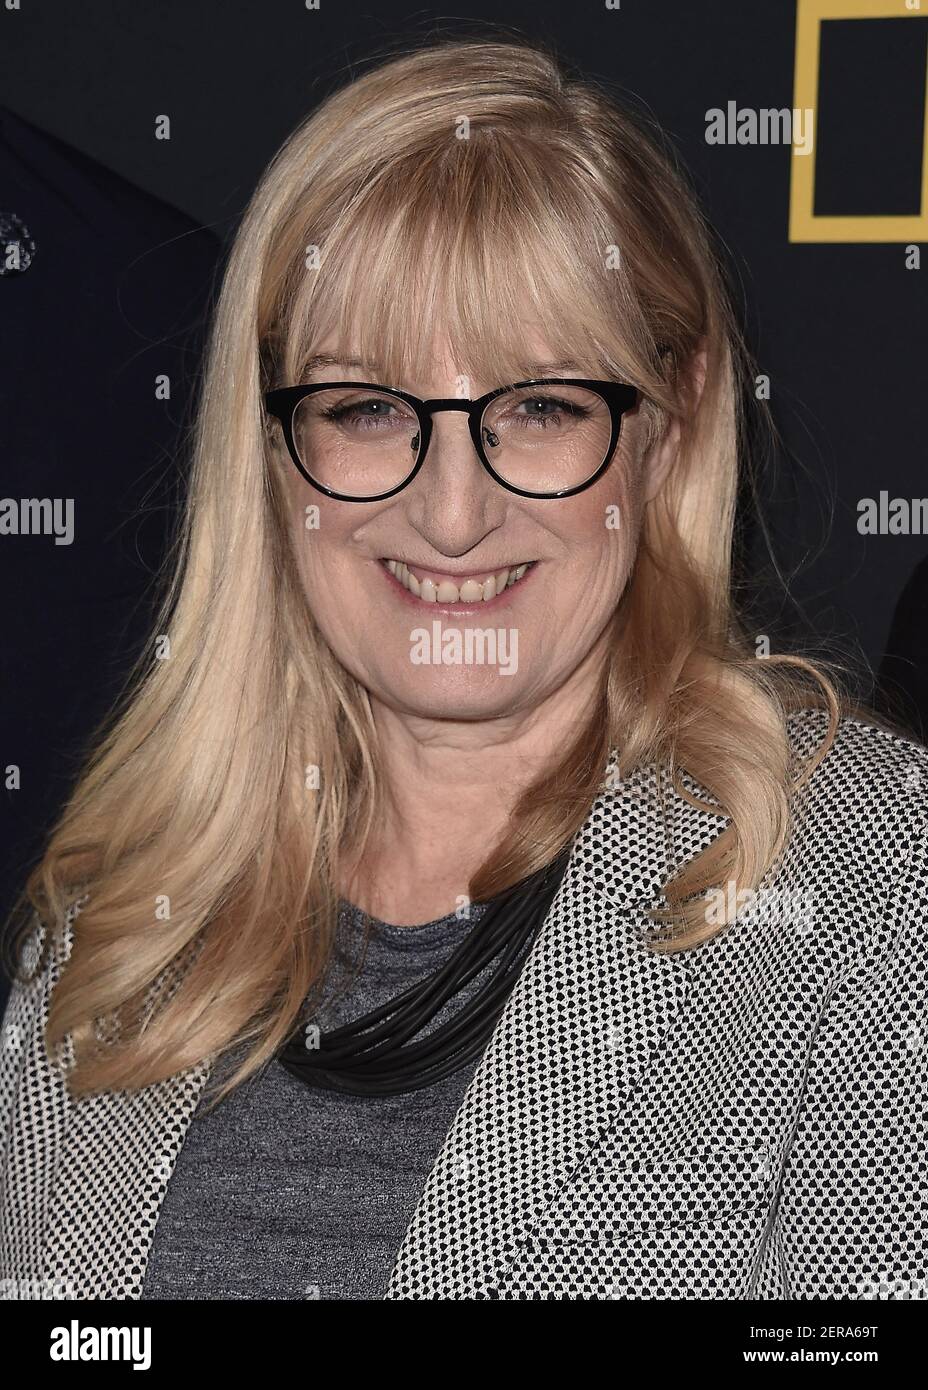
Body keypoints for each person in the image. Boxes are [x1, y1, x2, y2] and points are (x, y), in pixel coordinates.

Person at [1, 35, 925, 1302]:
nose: (450, 514)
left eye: (541, 407)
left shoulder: (872, 890)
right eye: (366, 408)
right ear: (267, 444)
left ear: (670, 427)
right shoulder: (119, 918)